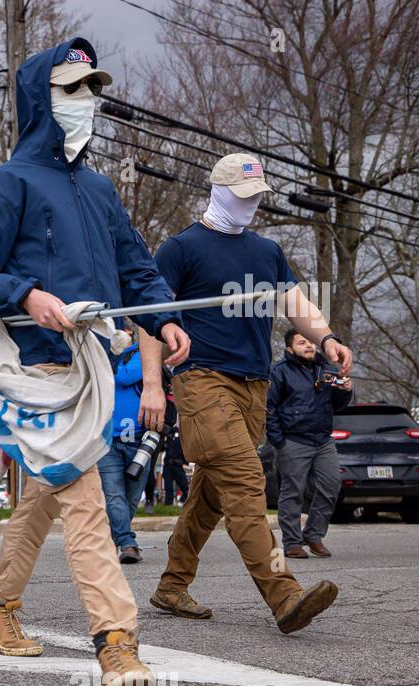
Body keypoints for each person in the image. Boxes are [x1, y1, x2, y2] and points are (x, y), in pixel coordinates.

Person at [0, 38, 192, 686]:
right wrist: (26, 294)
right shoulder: (6, 183)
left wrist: (163, 319)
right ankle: (117, 644)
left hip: (93, 371)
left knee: (47, 493)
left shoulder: (102, 190)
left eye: (93, 89)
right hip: (31, 368)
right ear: (40, 99)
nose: (89, 102)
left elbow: (137, 269)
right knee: (84, 499)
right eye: (74, 89)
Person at [150, 153, 353, 633]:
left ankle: (171, 585)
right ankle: (285, 595)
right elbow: (150, 316)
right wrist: (154, 386)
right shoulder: (180, 248)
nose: (250, 206)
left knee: (211, 496)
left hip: (254, 386)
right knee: (245, 483)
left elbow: (296, 303)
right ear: (217, 190)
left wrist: (326, 339)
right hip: (201, 380)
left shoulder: (266, 251)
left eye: (257, 197)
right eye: (242, 197)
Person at [268, 328, 354, 559]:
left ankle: (314, 535)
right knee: (292, 492)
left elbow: (337, 404)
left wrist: (346, 391)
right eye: (301, 342)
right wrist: (280, 441)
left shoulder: (326, 368)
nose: (308, 346)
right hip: (294, 440)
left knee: (331, 486)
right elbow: (268, 408)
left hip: (323, 440)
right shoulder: (279, 372)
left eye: (310, 342)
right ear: (289, 348)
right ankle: (293, 542)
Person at [96, 329, 164, 564]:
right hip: (107, 442)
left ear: (130, 333)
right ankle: (127, 543)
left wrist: (108, 360)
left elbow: (125, 376)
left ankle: (113, 539)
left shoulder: (143, 356)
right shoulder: (99, 353)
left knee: (131, 498)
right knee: (114, 495)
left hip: (139, 442)